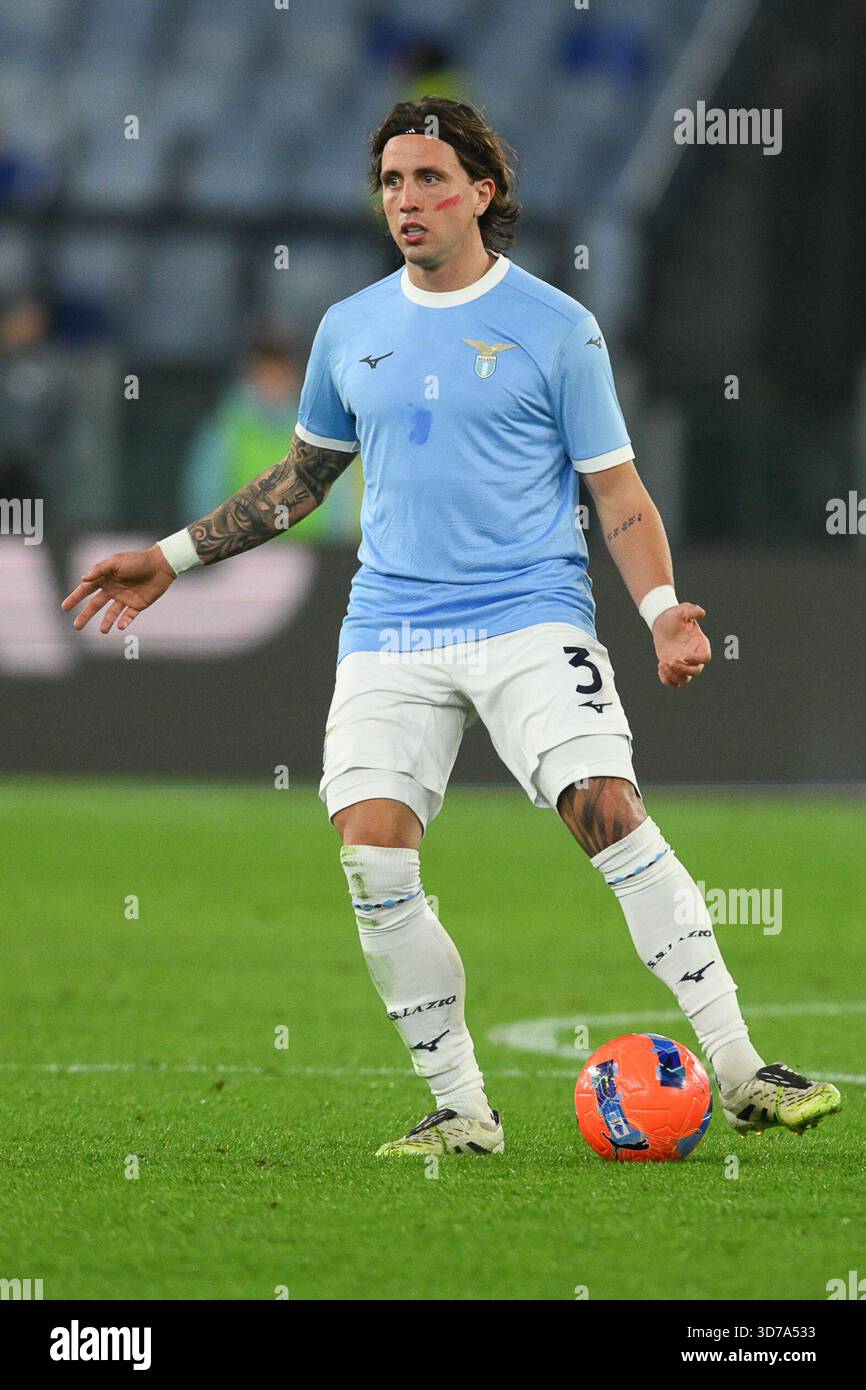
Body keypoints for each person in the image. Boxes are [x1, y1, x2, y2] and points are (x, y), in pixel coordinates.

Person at [62, 97, 841, 1158]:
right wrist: (171, 557)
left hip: (528, 615)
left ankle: (742, 1065)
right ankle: (461, 1110)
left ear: (481, 192)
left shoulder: (555, 327)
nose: (406, 200)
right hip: (388, 626)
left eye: (428, 178)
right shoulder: (350, 329)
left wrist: (661, 613)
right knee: (371, 855)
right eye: (390, 181)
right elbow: (300, 484)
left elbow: (615, 494)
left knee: (602, 807)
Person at [181, 337, 362, 542]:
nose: (273, 386)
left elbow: (340, 500)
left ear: (295, 379)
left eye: (279, 377)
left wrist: (336, 551)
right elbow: (203, 494)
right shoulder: (224, 430)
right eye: (265, 376)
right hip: (242, 551)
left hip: (313, 550)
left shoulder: (322, 430)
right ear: (249, 378)